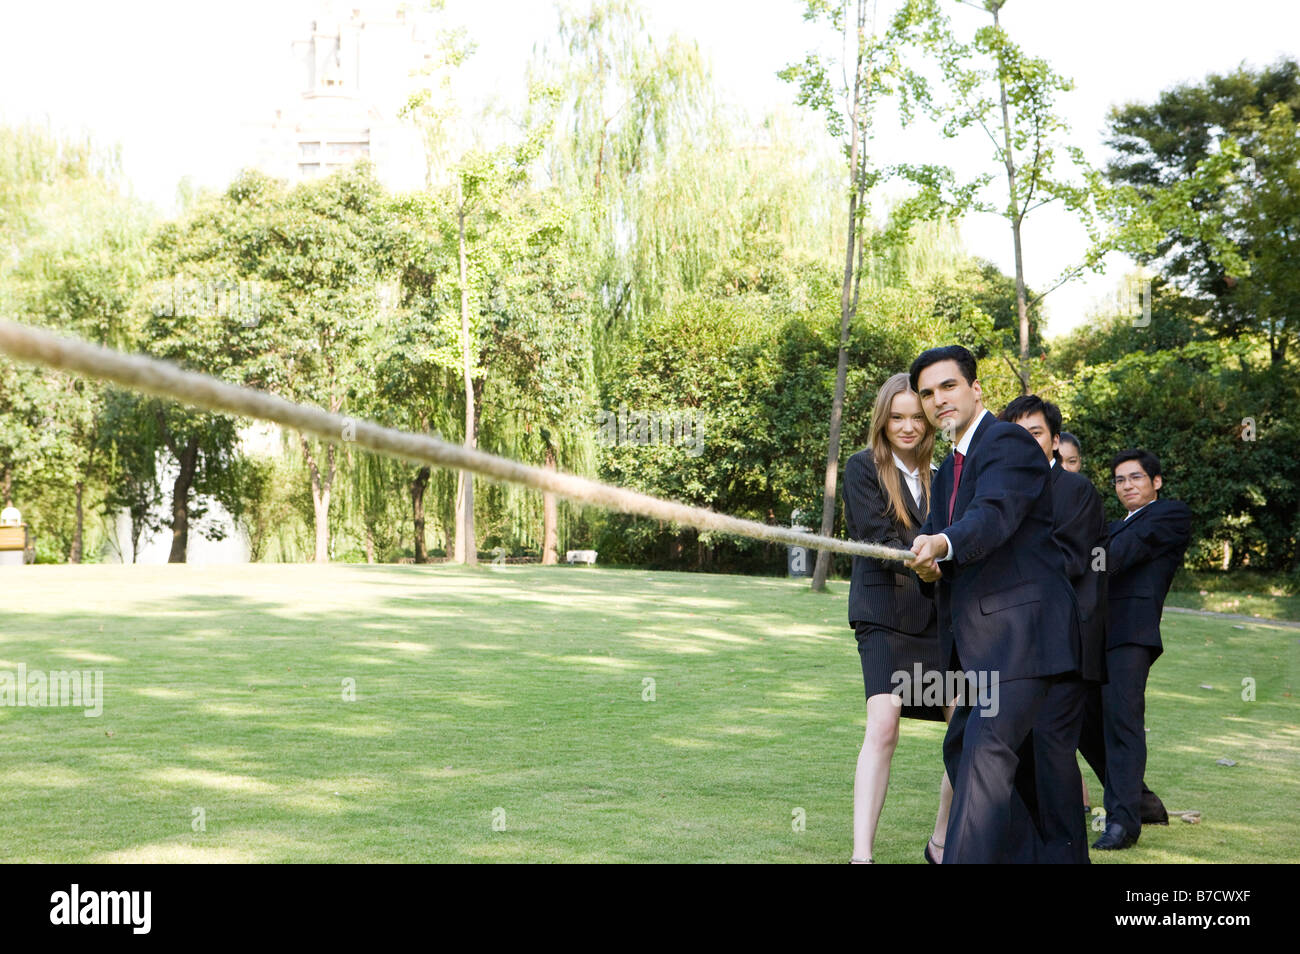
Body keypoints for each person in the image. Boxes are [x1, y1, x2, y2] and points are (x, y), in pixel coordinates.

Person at [907, 346, 1081, 864]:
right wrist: (927, 562)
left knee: (983, 757)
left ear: (975, 389)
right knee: (965, 751)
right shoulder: (946, 472)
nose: (938, 400)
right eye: (927, 393)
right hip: (983, 651)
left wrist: (942, 544)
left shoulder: (1006, 442)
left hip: (1023, 639)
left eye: (948, 386)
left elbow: (992, 517)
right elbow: (943, 548)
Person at [843, 373, 953, 865]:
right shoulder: (862, 467)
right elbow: (875, 535)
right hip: (884, 614)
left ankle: (942, 842)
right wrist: (921, 561)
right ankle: (861, 857)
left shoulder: (948, 473)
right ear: (882, 419)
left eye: (916, 416)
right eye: (897, 416)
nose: (907, 427)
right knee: (884, 724)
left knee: (968, 725)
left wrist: (940, 564)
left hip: (939, 620)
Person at [999, 395, 1106, 864]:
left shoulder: (1075, 491)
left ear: (1055, 441)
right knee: (1013, 753)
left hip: (1063, 647)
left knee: (1052, 751)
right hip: (1010, 650)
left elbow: (1070, 560)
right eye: (1016, 434)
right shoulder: (997, 493)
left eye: (1036, 433)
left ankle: (1067, 857)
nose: (1027, 442)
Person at [1091, 449, 1191, 850]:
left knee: (1122, 724)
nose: (1127, 485)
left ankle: (1122, 823)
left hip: (1130, 635)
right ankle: (1143, 802)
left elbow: (1116, 558)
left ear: (1156, 481)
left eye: (1135, 477)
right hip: (1094, 637)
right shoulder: (1114, 526)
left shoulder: (1170, 515)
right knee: (1082, 723)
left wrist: (1079, 562)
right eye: (1119, 480)